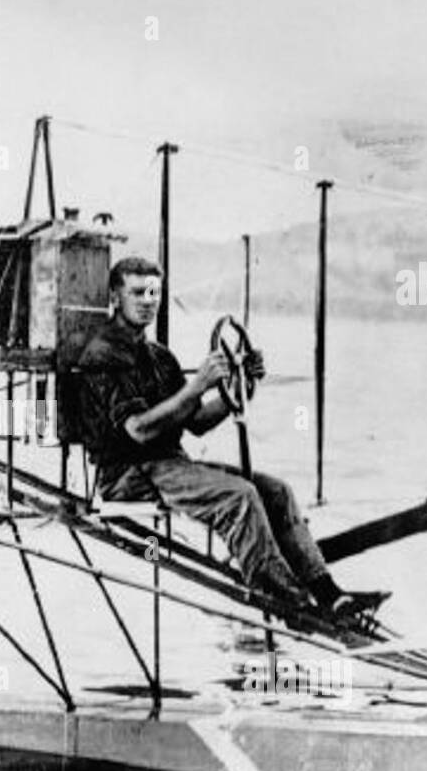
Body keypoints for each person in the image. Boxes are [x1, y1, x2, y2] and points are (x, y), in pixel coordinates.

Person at [78, 256, 387, 621]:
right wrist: (197, 385)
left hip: (170, 465)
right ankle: (289, 599)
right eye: (137, 292)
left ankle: (330, 595)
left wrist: (237, 387)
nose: (148, 301)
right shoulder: (102, 353)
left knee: (276, 491)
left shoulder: (160, 357)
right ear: (115, 296)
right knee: (239, 496)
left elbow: (196, 423)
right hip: (128, 474)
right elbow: (139, 430)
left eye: (154, 293)